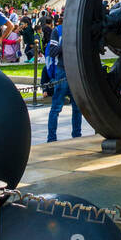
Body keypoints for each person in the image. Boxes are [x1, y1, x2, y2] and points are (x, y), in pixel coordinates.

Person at [45, 12, 82, 142]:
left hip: (76, 71)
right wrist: (67, 42)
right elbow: (52, 51)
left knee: (78, 107)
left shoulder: (79, 29)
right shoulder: (57, 31)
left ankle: (77, 136)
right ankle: (51, 138)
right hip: (63, 71)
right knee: (56, 107)